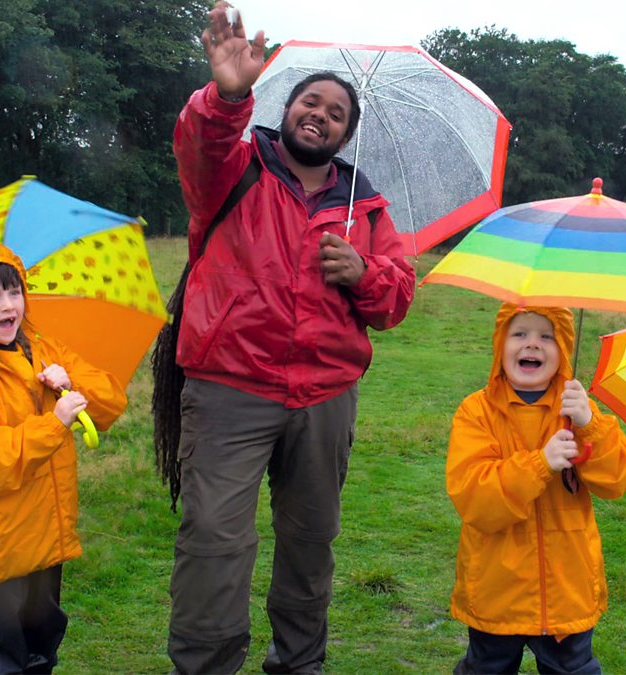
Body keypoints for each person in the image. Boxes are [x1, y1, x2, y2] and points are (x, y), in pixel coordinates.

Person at [163, 2, 416, 672]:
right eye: (311, 102)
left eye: (337, 114)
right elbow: (199, 142)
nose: (321, 115)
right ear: (287, 106)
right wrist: (227, 94)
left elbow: (397, 299)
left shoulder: (367, 205)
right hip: (228, 388)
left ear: (345, 134)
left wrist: (364, 272)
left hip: (325, 396)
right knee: (215, 539)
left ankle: (299, 661)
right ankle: (204, 663)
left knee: (310, 542)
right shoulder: (234, 168)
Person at [0, 242, 128, 674]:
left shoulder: (44, 351)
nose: (8, 305)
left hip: (45, 539)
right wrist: (54, 423)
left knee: (40, 647)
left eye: (14, 292)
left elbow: (109, 404)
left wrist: (70, 382)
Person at [445, 304, 626, 674]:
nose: (532, 345)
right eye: (520, 334)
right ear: (500, 345)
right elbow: (475, 498)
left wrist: (590, 424)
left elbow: (618, 480)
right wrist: (540, 463)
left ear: (564, 348)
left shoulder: (579, 410)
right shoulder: (476, 413)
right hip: (496, 588)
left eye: (546, 336)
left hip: (569, 588)